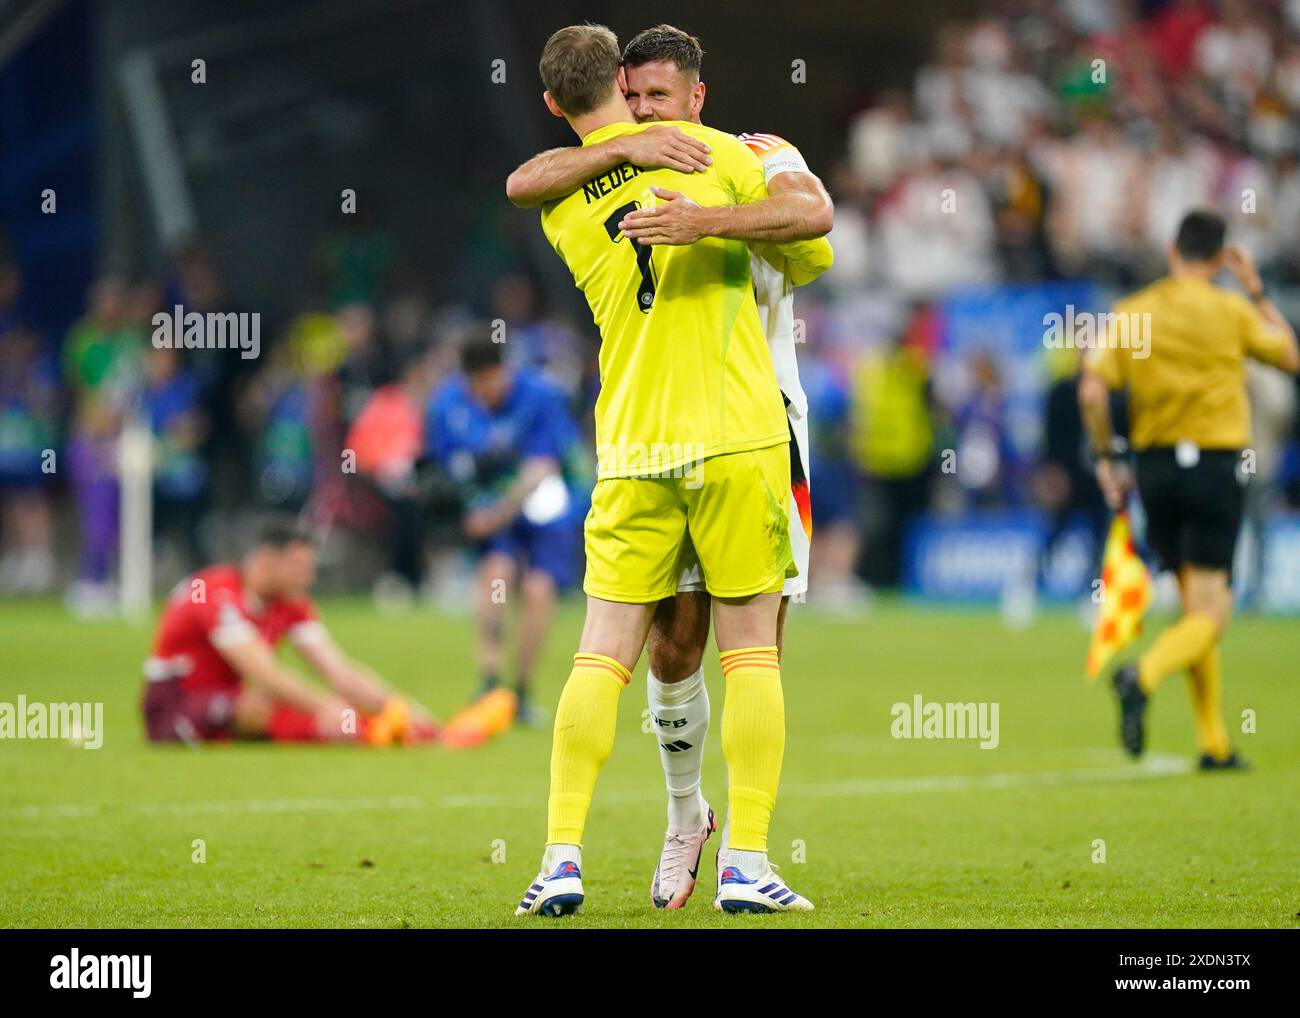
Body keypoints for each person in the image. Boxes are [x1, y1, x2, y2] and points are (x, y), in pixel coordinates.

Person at [507, 22, 834, 911]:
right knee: (716, 649)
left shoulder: (580, 194)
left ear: (696, 94)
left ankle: (565, 855)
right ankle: (726, 845)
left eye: (663, 97)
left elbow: (525, 178)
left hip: (670, 436)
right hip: (732, 433)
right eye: (635, 95)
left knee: (622, 648)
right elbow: (816, 229)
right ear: (619, 82)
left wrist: (700, 214)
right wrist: (679, 182)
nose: (648, 109)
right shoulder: (718, 159)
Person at [1079, 209, 1299, 770]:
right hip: (1213, 465)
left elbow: (1092, 393)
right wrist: (1257, 290)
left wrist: (1108, 457)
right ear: (1221, 257)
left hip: (1154, 470)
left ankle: (1214, 743)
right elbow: (1290, 356)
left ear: (1172, 251)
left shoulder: (1136, 311)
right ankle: (1141, 676)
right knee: (1214, 613)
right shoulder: (1231, 310)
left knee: (1193, 608)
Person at [141, 517, 437, 745]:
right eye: (298, 566)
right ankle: (371, 733)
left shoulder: (290, 603)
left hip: (232, 697)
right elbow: (264, 673)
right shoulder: (213, 593)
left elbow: (340, 672)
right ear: (266, 562)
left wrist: (402, 707)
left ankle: (398, 729)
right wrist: (328, 707)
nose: (309, 577)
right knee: (260, 705)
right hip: (173, 706)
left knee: (278, 704)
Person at [425, 334, 586, 727]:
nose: (484, 392)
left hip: (544, 504)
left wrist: (495, 515)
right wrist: (460, 511)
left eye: (490, 380)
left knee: (537, 590)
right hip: (488, 508)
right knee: (496, 575)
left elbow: (542, 468)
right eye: (475, 384)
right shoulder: (447, 404)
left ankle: (522, 692)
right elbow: (440, 469)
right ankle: (490, 681)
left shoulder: (540, 396)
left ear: (504, 369)